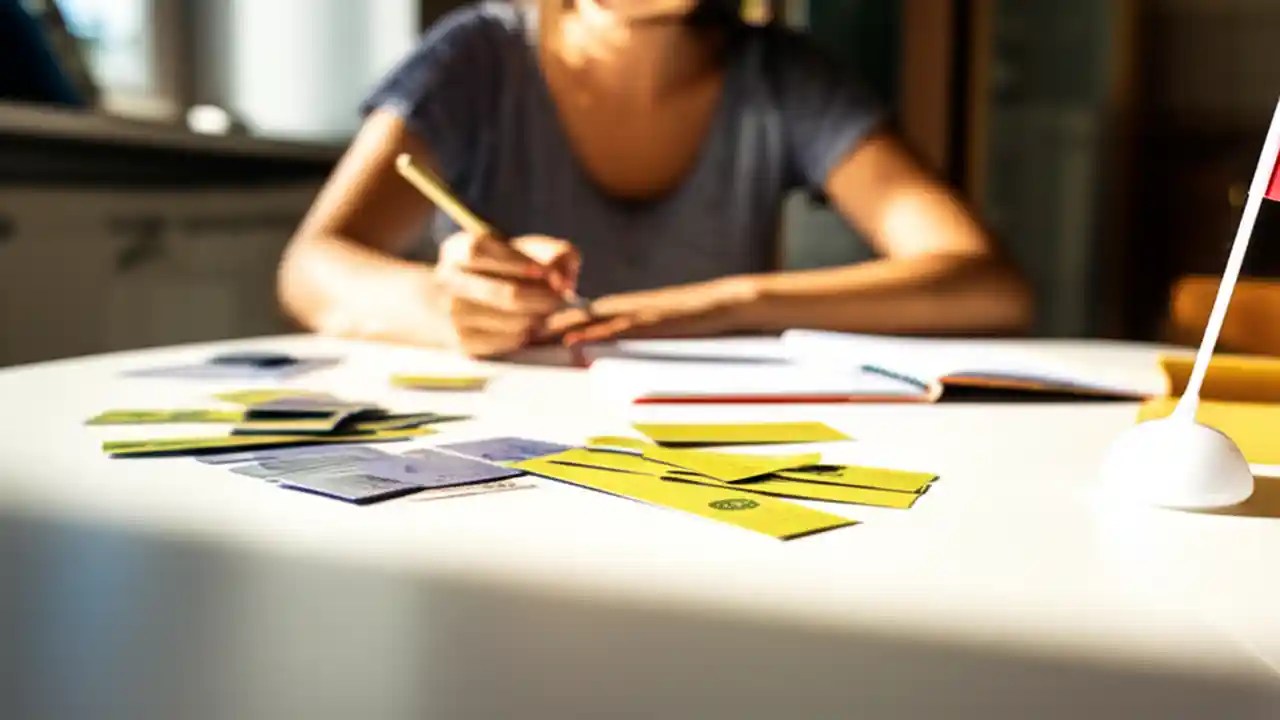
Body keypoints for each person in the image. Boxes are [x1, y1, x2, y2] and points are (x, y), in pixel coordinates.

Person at [279, 0, 1033, 358]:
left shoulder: (784, 75)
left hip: (700, 451)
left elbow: (985, 283)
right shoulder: (476, 57)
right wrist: (443, 304)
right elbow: (312, 267)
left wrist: (729, 303)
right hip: (492, 448)